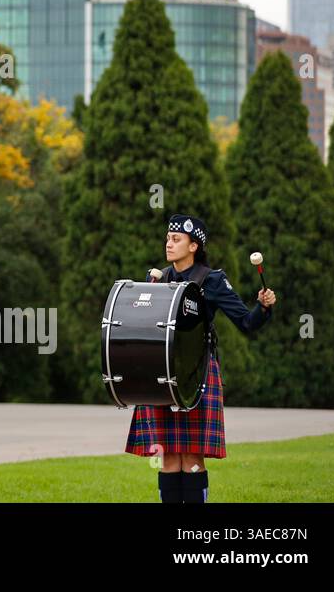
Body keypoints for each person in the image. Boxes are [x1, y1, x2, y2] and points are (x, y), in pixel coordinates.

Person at [125, 214, 276, 503]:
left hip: (198, 374)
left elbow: (246, 323)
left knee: (192, 456)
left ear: (193, 246)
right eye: (168, 238)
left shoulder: (212, 280)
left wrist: (263, 307)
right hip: (163, 375)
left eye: (176, 239)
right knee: (168, 457)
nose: (168, 244)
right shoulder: (159, 279)